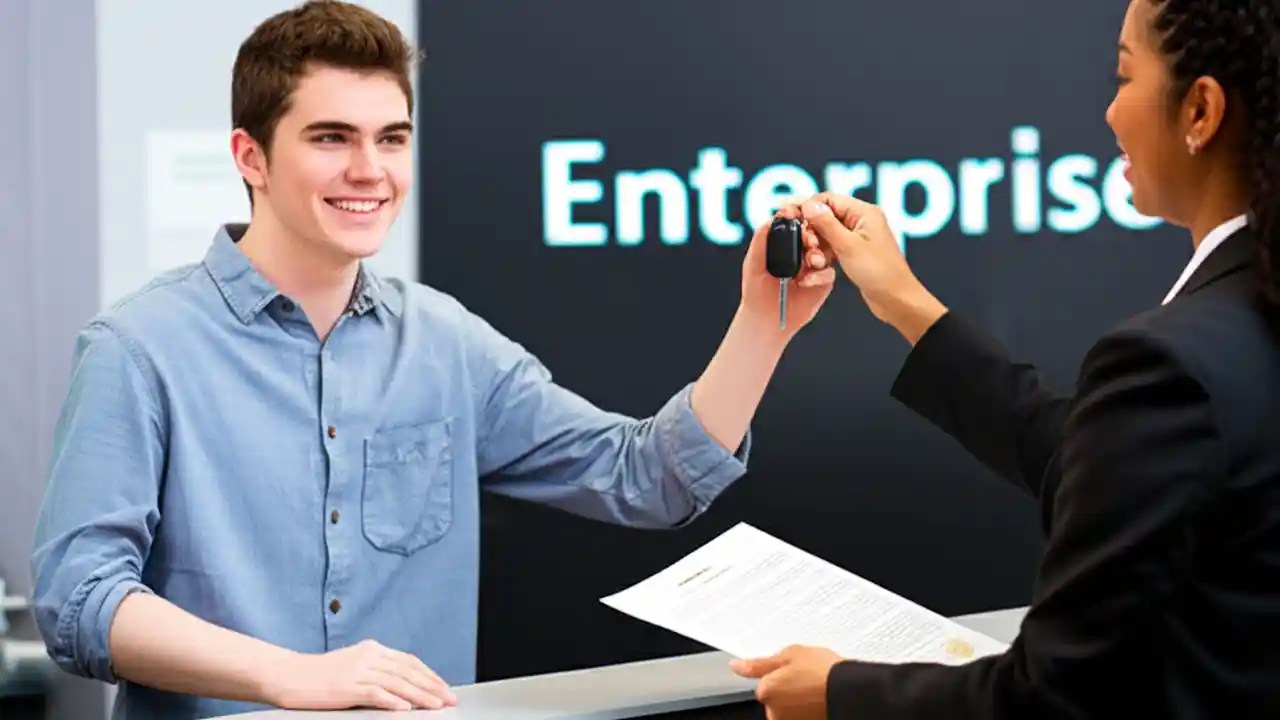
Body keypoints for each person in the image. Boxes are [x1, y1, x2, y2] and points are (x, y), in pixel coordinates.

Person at [28, 2, 836, 719]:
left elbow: (645, 478)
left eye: (391, 138)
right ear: (251, 157)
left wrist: (767, 322)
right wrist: (288, 677)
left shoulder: (444, 340)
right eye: (330, 138)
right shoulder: (138, 349)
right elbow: (81, 601)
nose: (369, 171)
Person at [730, 0, 1280, 718]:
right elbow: (1108, 471)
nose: (1111, 114)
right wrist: (906, 304)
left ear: (1200, 110)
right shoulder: (1233, 333)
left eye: (1123, 75)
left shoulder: (1170, 365)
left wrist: (838, 692)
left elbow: (1050, 697)